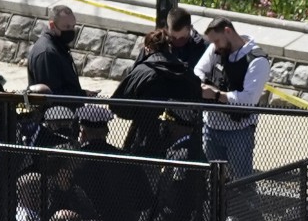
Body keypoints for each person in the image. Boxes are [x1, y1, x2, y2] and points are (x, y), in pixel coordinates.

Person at [196, 18, 272, 177]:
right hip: (210, 127)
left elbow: (248, 100)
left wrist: (216, 95)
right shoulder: (216, 49)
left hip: (238, 131)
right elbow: (198, 71)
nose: (215, 47)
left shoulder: (257, 60)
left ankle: (246, 203)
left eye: (217, 41)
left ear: (228, 32)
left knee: (241, 183)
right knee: (213, 180)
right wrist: (203, 84)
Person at [111, 27, 201, 155]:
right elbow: (198, 99)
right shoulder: (186, 72)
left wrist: (138, 113)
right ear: (169, 49)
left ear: (147, 49)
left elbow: (118, 105)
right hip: (181, 141)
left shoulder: (142, 71)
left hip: (145, 138)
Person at [25, 5, 87, 98]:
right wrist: (82, 94)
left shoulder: (59, 46)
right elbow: (52, 93)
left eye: (73, 26)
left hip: (70, 108)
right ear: (52, 25)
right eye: (66, 27)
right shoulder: (46, 53)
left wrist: (83, 93)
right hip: (59, 111)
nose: (71, 30)